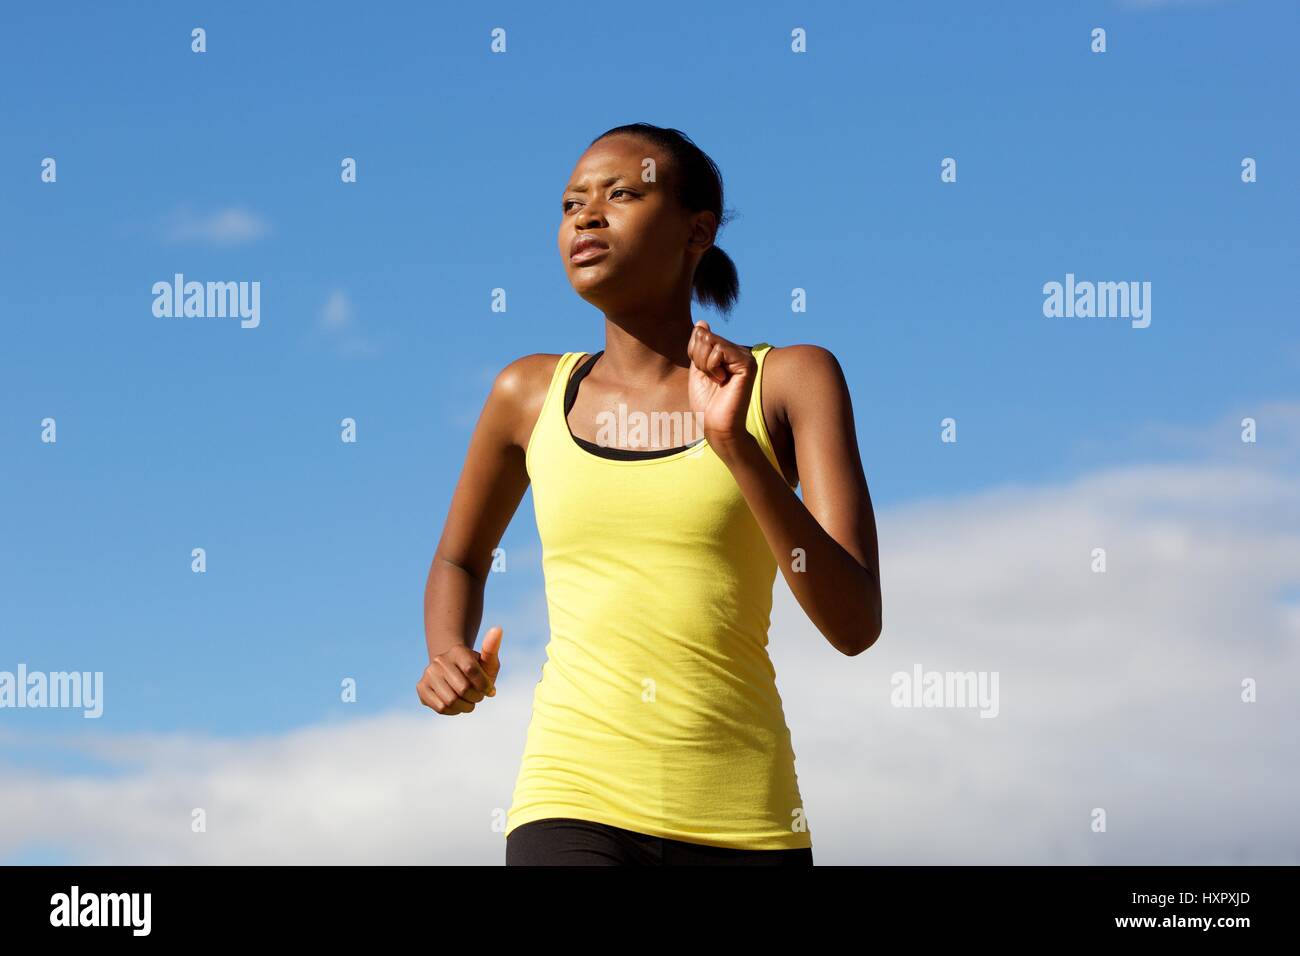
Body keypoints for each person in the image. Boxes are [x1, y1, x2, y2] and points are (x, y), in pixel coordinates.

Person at [417, 123, 882, 866]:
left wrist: (737, 447)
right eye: (572, 203)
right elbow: (459, 560)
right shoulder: (525, 394)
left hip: (748, 822)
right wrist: (447, 651)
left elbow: (855, 624)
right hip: (570, 804)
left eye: (622, 194)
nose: (586, 217)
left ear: (697, 230)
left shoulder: (791, 381)